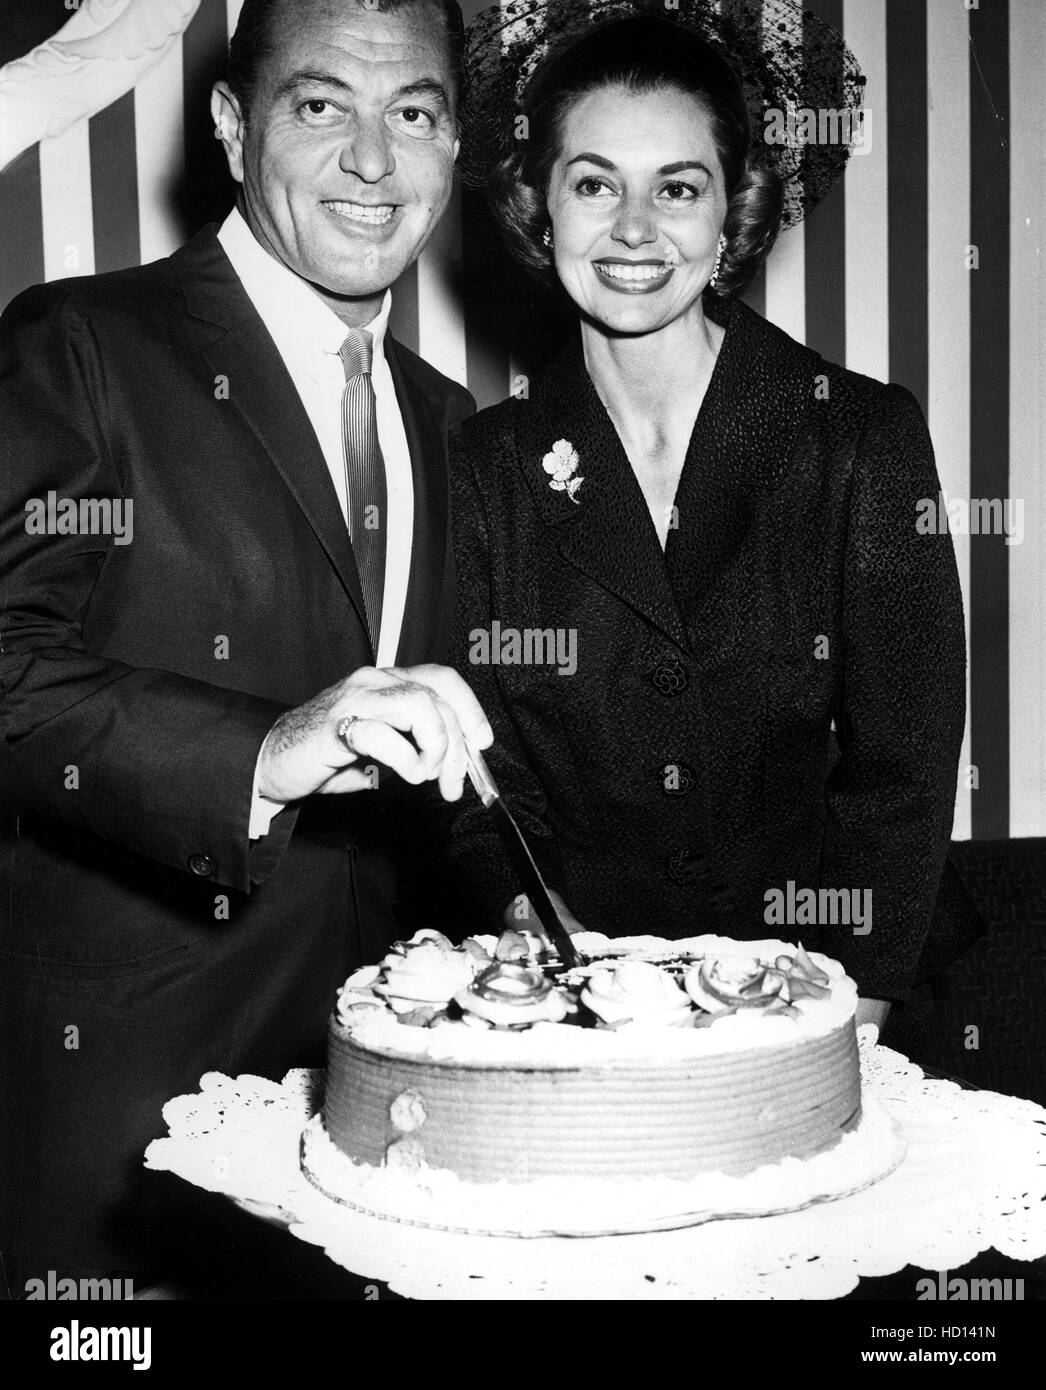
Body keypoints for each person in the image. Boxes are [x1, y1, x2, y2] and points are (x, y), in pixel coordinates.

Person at [0, 0, 491, 1291]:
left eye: (417, 114)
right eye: (321, 106)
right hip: (116, 1124)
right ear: (229, 127)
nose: (374, 163)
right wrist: (264, 750)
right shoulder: (84, 346)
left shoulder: (453, 424)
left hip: (368, 1133)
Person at [448, 0, 981, 1032]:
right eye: (595, 183)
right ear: (537, 205)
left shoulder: (856, 436)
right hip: (585, 1010)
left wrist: (845, 1022)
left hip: (840, 995)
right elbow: (482, 785)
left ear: (731, 209)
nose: (634, 230)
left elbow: (903, 774)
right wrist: (549, 954)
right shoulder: (481, 466)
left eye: (676, 188)